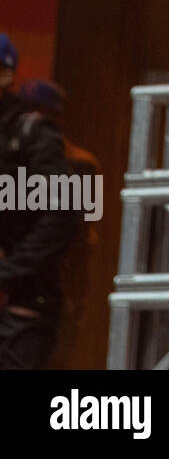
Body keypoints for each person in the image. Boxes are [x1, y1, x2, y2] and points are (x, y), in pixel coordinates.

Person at [0, 41, 81, 369]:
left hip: (23, 301)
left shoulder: (32, 133)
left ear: (6, 76)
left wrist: (8, 273)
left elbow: (63, 214)